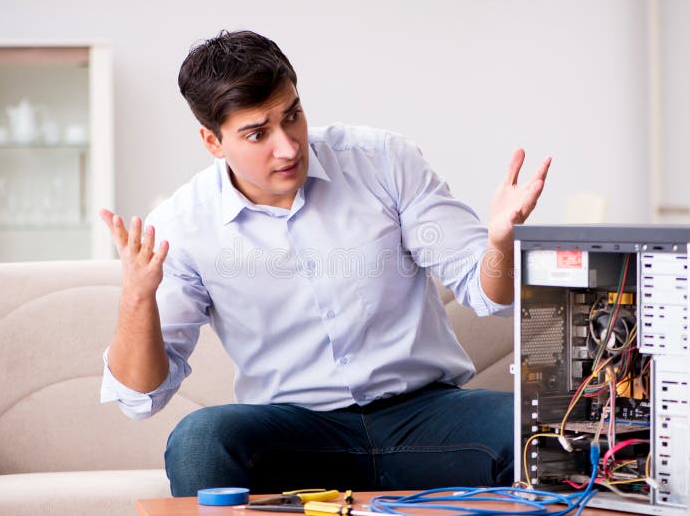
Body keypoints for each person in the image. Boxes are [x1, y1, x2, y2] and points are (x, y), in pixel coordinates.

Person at [100, 30, 550, 496]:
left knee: (546, 433)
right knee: (199, 441)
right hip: (295, 434)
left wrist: (499, 242)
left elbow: (489, 292)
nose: (289, 147)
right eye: (258, 133)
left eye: (292, 116)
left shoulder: (383, 162)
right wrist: (137, 296)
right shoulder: (182, 225)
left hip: (425, 417)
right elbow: (140, 398)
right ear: (213, 142)